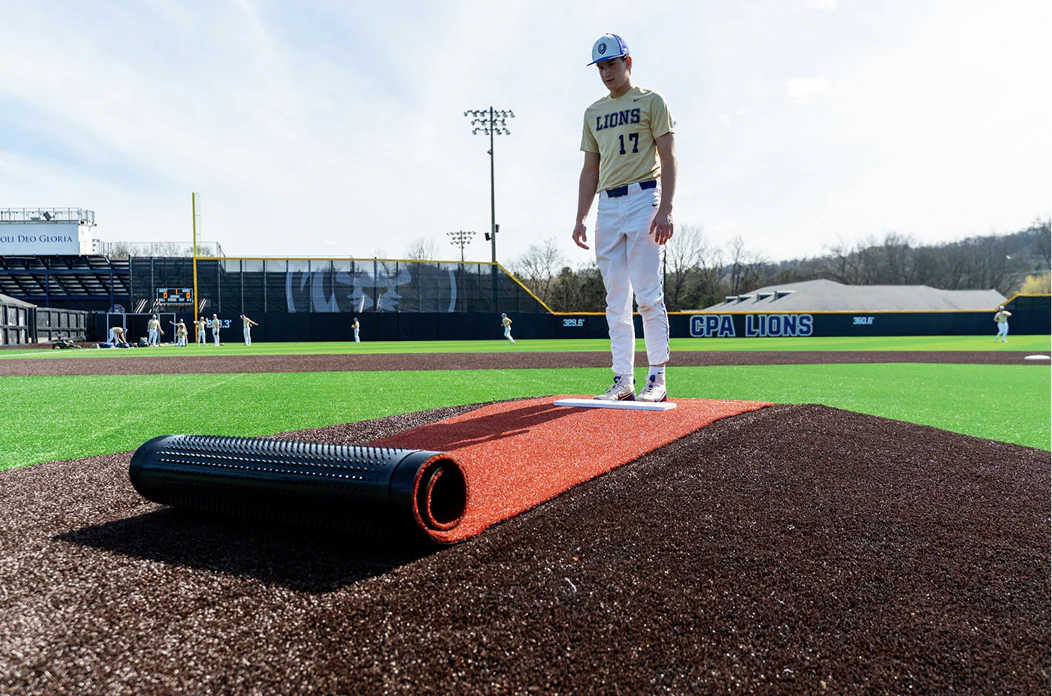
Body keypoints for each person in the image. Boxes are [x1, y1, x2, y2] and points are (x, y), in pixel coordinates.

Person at [572, 33, 677, 403]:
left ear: (628, 62)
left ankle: (657, 377)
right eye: (600, 67)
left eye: (612, 64)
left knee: (648, 294)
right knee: (615, 298)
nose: (606, 72)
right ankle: (623, 379)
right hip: (608, 205)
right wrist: (581, 217)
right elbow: (590, 170)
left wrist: (666, 208)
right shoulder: (593, 112)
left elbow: (668, 156)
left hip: (644, 196)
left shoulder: (652, 101)